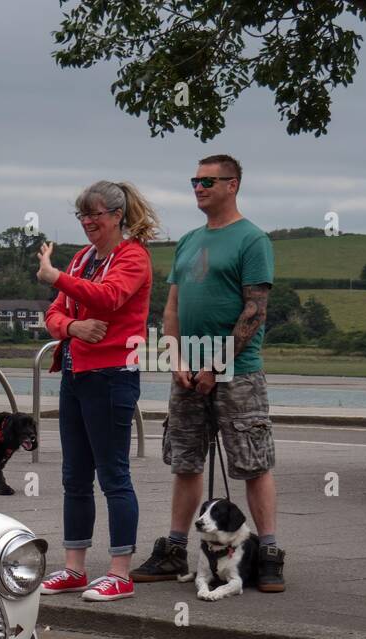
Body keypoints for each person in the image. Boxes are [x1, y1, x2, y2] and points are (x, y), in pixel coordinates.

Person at [131, 154, 282, 591]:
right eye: (194, 180)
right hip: (188, 369)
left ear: (232, 185)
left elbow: (255, 311)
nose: (198, 187)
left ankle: (268, 552)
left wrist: (217, 367)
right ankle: (176, 548)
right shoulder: (189, 241)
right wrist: (176, 358)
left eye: (208, 181)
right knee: (185, 461)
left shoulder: (252, 240)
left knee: (253, 463)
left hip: (238, 372)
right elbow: (173, 306)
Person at [36, 181, 160, 602]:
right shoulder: (82, 258)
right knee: (74, 476)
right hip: (75, 371)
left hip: (112, 375)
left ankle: (120, 573)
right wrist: (72, 328)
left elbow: (109, 298)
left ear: (117, 216)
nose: (89, 223)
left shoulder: (134, 257)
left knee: (114, 475)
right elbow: (53, 313)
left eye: (96, 215)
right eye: (82, 216)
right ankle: (74, 567)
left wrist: (57, 278)